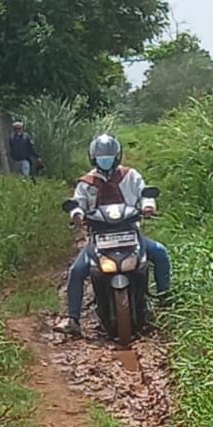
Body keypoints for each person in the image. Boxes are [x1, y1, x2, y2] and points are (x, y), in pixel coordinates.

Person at [56, 134, 171, 336]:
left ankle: (166, 302)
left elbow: (145, 193)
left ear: (117, 156)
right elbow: (77, 202)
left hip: (129, 233)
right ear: (93, 157)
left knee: (160, 252)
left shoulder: (130, 176)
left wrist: (148, 206)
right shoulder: (86, 183)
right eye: (101, 156)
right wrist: (77, 214)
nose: (105, 159)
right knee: (76, 271)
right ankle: (72, 319)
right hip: (99, 237)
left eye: (109, 155)